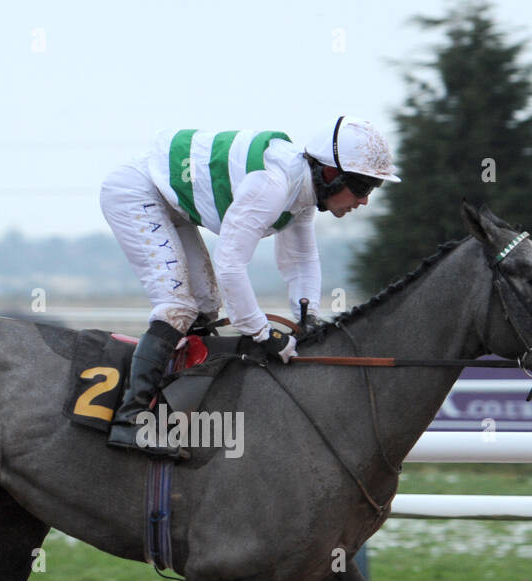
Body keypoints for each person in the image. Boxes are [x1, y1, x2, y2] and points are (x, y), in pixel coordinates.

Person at [100, 116, 401, 456]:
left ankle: (177, 413)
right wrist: (263, 333)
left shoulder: (300, 192)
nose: (363, 201)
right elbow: (230, 265)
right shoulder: (272, 185)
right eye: (362, 188)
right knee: (178, 308)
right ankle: (131, 421)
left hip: (170, 203)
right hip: (137, 192)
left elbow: (302, 258)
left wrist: (308, 317)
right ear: (331, 175)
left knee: (205, 304)